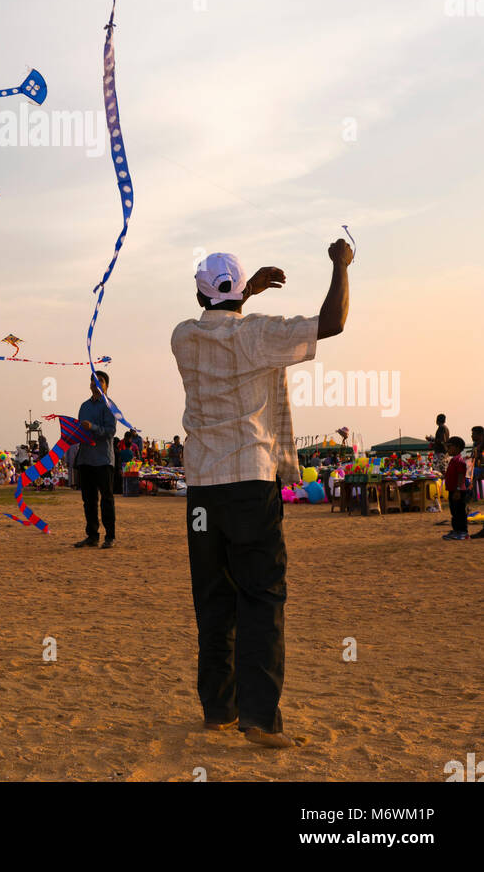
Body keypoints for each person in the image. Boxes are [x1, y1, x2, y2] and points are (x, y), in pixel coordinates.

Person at [171, 241, 353, 750]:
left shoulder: (182, 338)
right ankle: (259, 719)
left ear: (198, 292)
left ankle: (218, 711)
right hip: (250, 482)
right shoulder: (259, 335)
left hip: (202, 492)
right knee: (262, 598)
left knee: (213, 599)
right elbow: (332, 322)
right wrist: (340, 264)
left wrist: (242, 292)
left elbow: (216, 320)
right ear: (238, 294)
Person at [73, 371, 117, 550]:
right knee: (88, 500)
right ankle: (92, 535)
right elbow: (79, 430)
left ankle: (110, 536)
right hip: (85, 459)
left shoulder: (110, 406)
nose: (95, 383)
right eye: (93, 380)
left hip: (103, 460)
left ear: (106, 385)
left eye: (100, 381)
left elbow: (110, 431)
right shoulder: (84, 406)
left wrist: (93, 427)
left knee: (106, 499)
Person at [443, 437, 469, 540]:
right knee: (454, 512)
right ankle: (456, 530)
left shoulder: (459, 461)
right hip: (452, 490)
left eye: (450, 447)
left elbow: (461, 476)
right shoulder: (453, 460)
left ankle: (463, 532)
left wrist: (458, 489)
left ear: (457, 448)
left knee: (460, 512)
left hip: (458, 491)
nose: (448, 449)